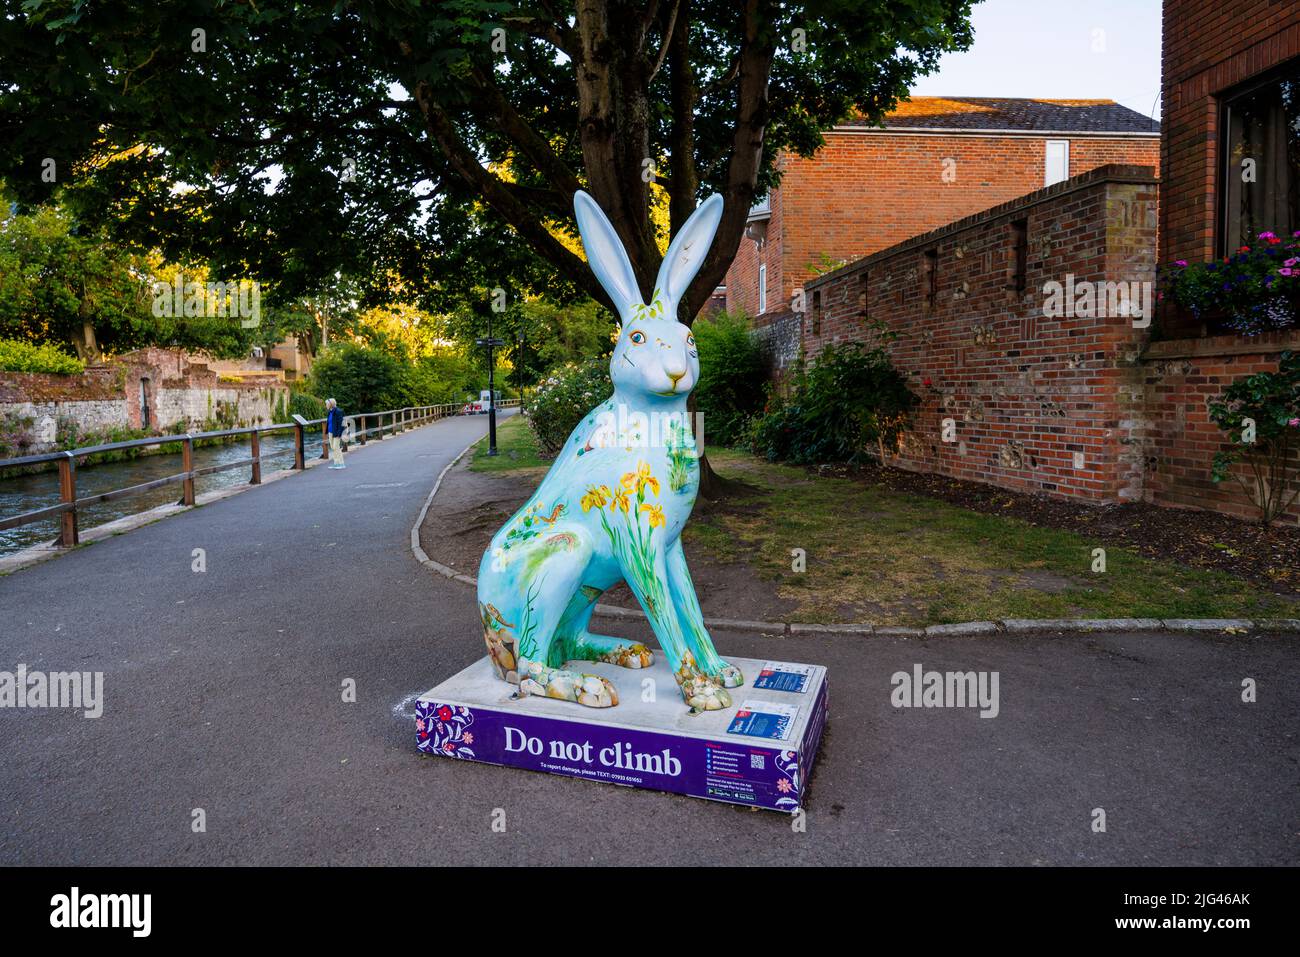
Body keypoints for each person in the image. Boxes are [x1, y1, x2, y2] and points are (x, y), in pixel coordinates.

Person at [325, 398, 346, 469]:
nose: (326, 405)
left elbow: (342, 424)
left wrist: (339, 434)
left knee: (336, 447)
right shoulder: (330, 412)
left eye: (327, 404)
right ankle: (336, 463)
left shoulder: (338, 412)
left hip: (336, 433)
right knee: (333, 448)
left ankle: (341, 463)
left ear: (331, 404)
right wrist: (327, 432)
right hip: (330, 432)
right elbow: (329, 422)